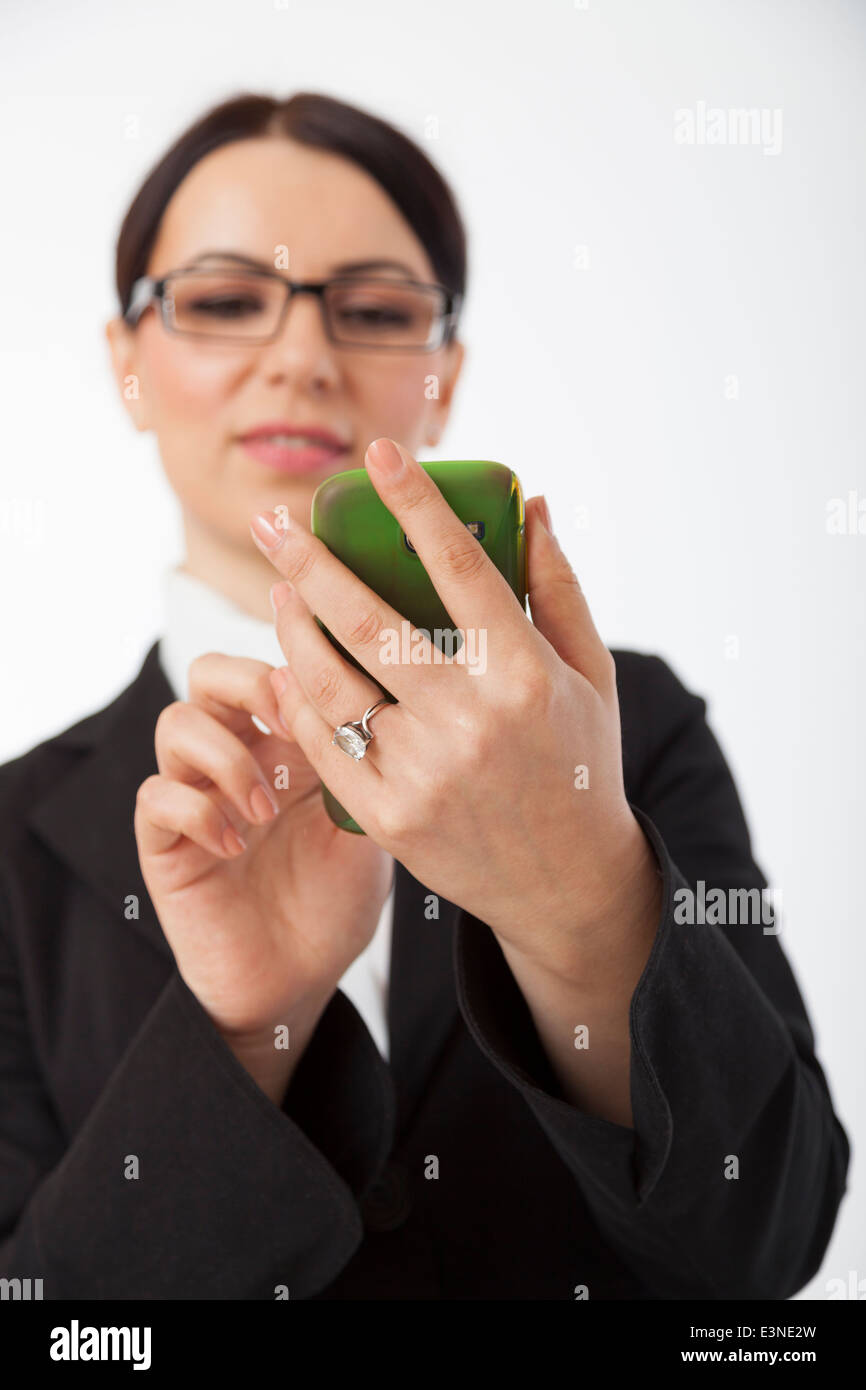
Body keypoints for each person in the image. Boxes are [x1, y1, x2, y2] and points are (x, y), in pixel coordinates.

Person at [0, 90, 849, 1301]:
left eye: (376, 311)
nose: (299, 355)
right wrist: (248, 1036)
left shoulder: (628, 722)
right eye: (226, 300)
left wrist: (581, 902)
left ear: (442, 373)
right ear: (128, 365)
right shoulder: (12, 836)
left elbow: (765, 1245)